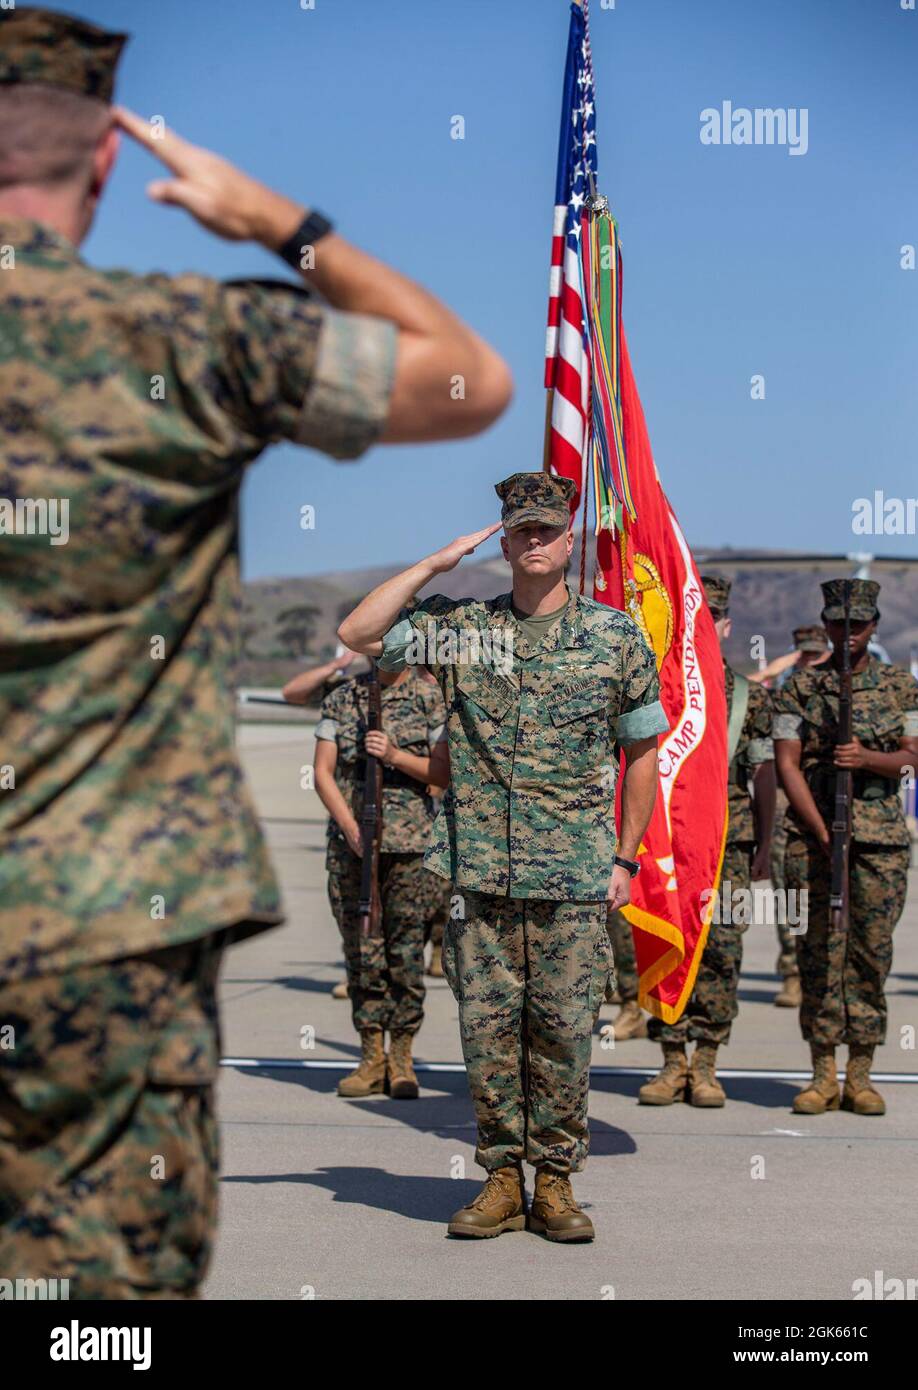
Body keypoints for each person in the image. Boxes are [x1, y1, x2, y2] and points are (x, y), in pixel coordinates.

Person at [0, 7, 512, 1299]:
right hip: (103, 938)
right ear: (109, 166)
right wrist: (283, 226)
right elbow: (467, 382)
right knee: (95, 1310)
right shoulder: (184, 343)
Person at [339, 471, 667, 1242]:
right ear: (505, 540)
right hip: (480, 871)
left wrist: (624, 860)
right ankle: (499, 1179)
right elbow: (358, 635)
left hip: (574, 873)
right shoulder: (465, 628)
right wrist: (433, 566)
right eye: (520, 530)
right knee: (487, 1031)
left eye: (548, 529)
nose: (534, 542)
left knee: (562, 1031)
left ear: (569, 538)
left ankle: (554, 1183)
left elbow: (643, 753)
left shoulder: (614, 636)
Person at [774, 580, 918, 1116]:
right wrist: (819, 830)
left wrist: (868, 761)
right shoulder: (798, 689)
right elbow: (787, 762)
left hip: (879, 842)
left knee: (870, 954)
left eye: (858, 624)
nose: (848, 633)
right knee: (817, 955)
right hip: (815, 841)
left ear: (874, 626)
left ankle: (861, 1073)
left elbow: (913, 757)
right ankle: (821, 1074)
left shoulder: (902, 687)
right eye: (838, 623)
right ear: (827, 623)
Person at [640, 574, 775, 1107]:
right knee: (667, 943)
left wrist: (765, 844)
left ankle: (708, 1064)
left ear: (724, 624)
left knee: (721, 952)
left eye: (711, 617)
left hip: (729, 846)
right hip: (668, 844)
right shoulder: (658, 688)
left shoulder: (747, 696)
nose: (703, 626)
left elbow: (763, 775)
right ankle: (671, 1061)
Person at [314, 664, 450, 1098]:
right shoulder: (342, 697)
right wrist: (350, 827)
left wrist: (394, 756)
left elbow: (442, 773)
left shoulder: (430, 699)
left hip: (409, 848)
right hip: (353, 847)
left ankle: (402, 1057)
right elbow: (322, 772)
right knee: (361, 951)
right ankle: (371, 1056)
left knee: (406, 952)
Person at [767, 626, 830, 1008]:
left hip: (829, 802)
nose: (810, 661)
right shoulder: (784, 695)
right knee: (788, 890)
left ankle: (824, 973)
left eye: (816, 655)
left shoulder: (841, 694)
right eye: (803, 655)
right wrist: (780, 666)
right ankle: (792, 972)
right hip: (784, 805)